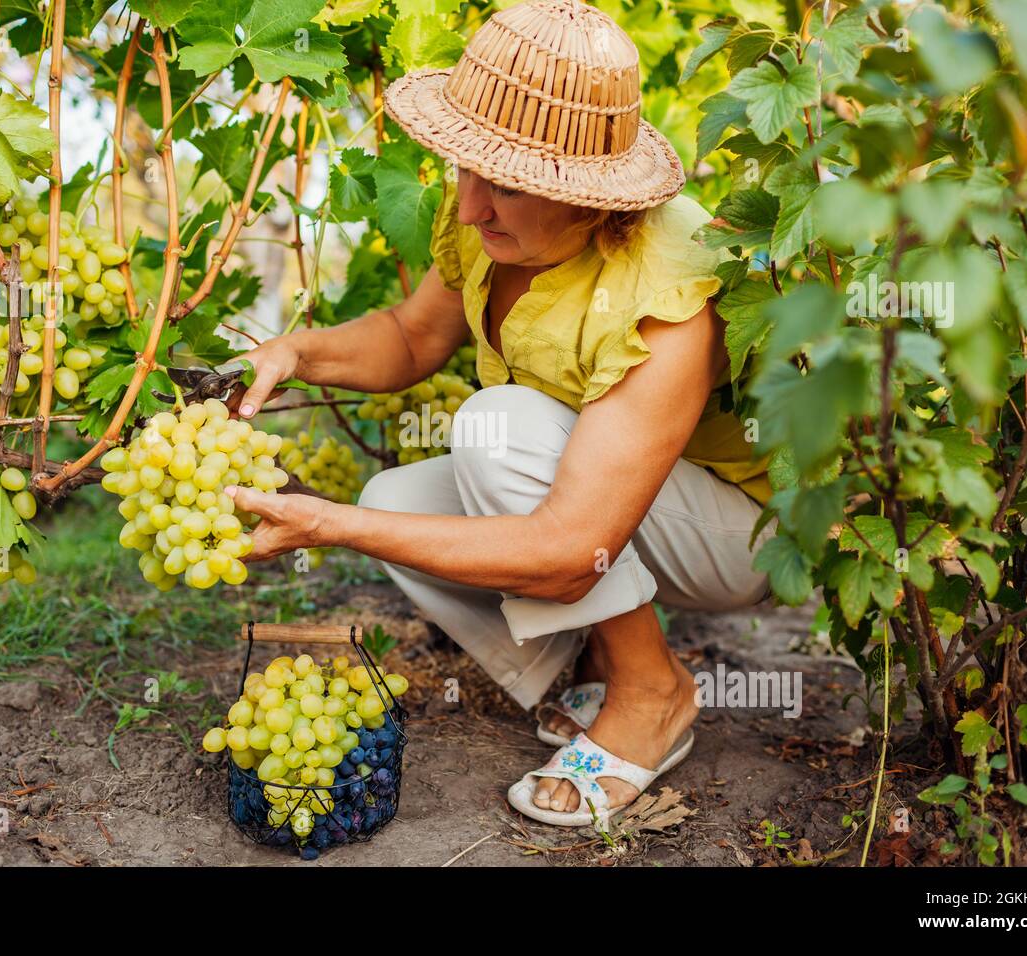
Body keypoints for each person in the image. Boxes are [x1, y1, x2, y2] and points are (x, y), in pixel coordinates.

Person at [224, 0, 773, 827]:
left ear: (593, 200)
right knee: (393, 506)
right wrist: (295, 352)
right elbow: (411, 340)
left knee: (493, 428)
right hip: (615, 496)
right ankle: (585, 668)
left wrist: (327, 526)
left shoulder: (669, 285)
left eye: (508, 186)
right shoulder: (486, 217)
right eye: (466, 170)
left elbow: (565, 551)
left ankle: (651, 691)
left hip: (736, 534)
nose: (473, 206)